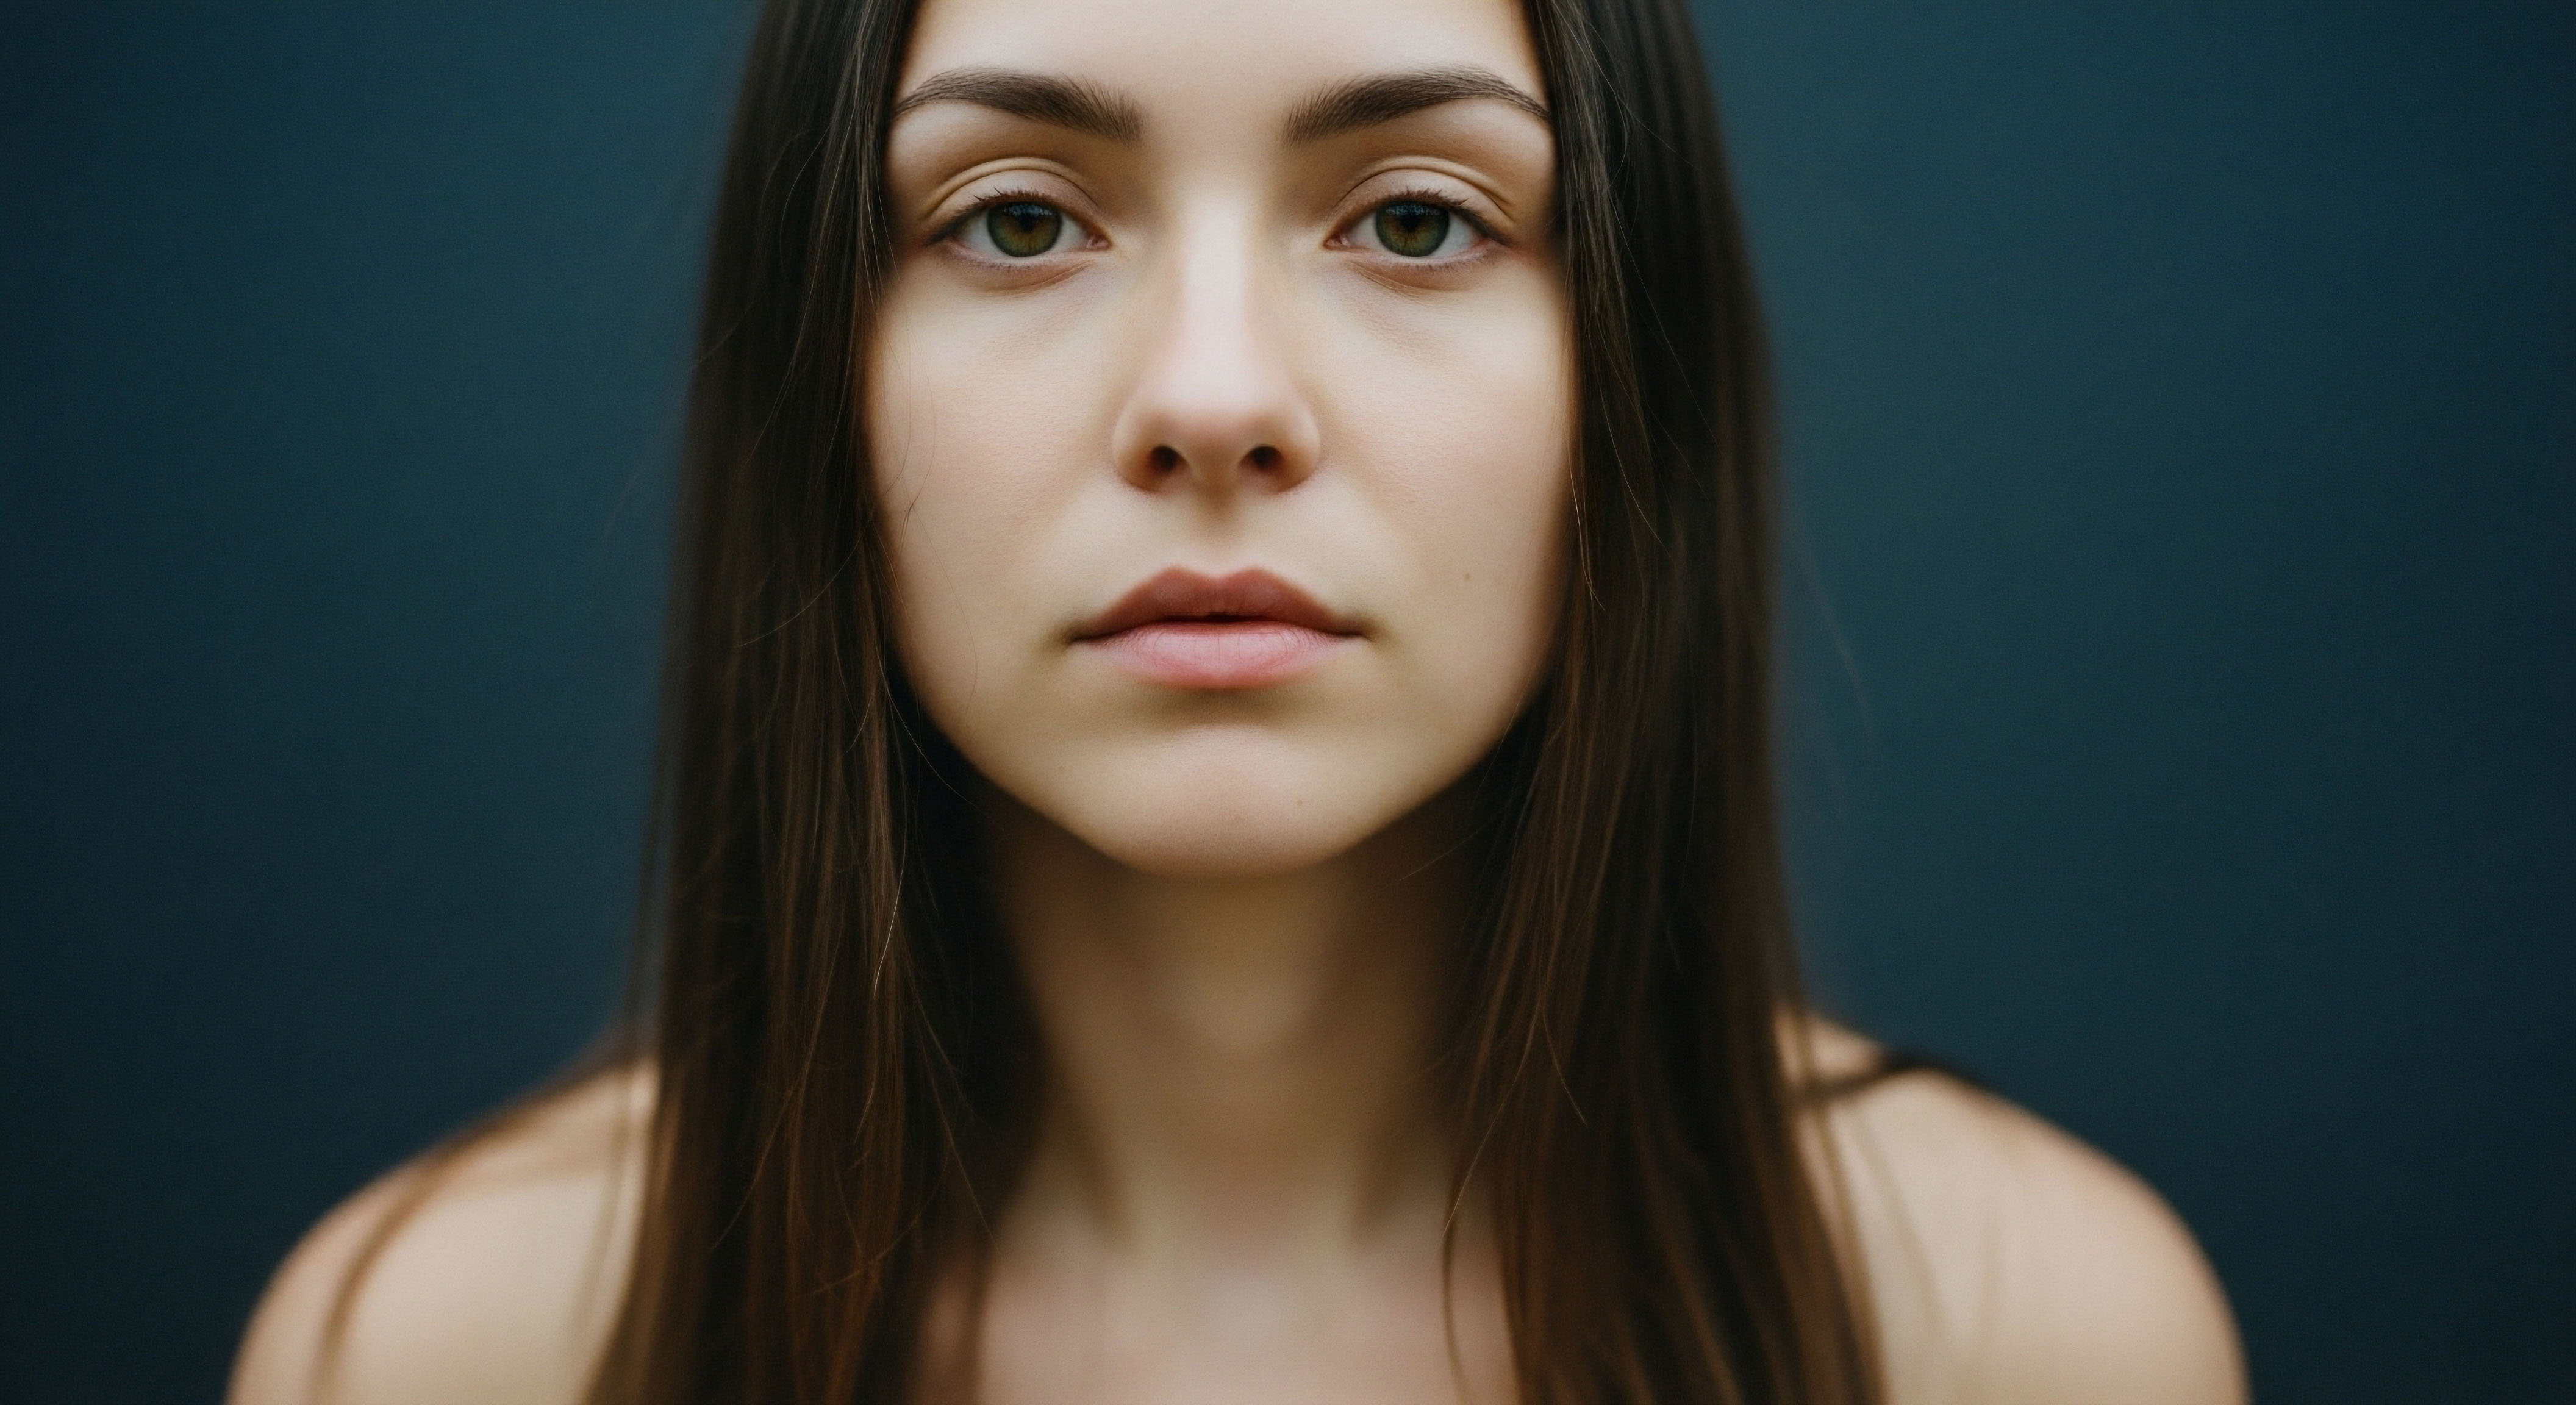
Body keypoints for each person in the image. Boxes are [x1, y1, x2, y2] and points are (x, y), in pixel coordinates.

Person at [228, 0, 2247, 1400]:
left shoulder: (2012, 1336)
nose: (1212, 397)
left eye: (1418, 219)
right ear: (815, 386)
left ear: (1632, 379)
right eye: (1017, 219)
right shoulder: (443, 1352)